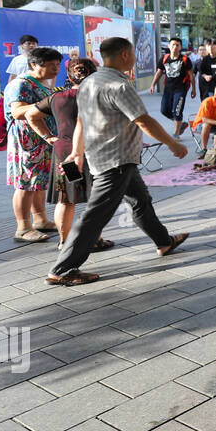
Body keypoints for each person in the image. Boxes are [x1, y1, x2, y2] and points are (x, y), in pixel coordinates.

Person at [46, 36, 189, 287]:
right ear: (125, 54)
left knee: (141, 201)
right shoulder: (119, 86)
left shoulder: (89, 82)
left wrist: (77, 153)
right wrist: (173, 144)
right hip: (116, 161)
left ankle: (164, 242)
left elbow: (81, 121)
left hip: (111, 157)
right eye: (133, 52)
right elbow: (143, 120)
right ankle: (62, 269)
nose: (134, 57)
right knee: (94, 216)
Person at [27, 58, 112, 253]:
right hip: (95, 152)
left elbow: (31, 115)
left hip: (66, 152)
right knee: (95, 197)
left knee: (67, 197)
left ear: (69, 76)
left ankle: (64, 242)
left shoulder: (57, 98)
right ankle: (95, 239)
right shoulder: (100, 96)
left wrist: (48, 137)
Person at [4, 46, 63, 243]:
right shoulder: (21, 84)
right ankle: (23, 227)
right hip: (27, 141)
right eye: (51, 65)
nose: (56, 69)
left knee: (38, 182)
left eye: (58, 65)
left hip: (41, 140)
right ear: (34, 64)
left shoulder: (40, 83)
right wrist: (47, 104)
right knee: (25, 183)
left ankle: (40, 219)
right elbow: (17, 112)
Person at [149, 37, 194, 137]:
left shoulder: (185, 60)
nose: (175, 47)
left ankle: (176, 133)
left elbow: (191, 75)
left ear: (180, 47)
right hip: (168, 88)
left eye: (177, 45)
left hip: (181, 89)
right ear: (169, 46)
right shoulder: (164, 59)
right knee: (164, 110)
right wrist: (153, 84)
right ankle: (180, 124)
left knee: (177, 111)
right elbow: (159, 72)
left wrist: (193, 89)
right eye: (173, 45)